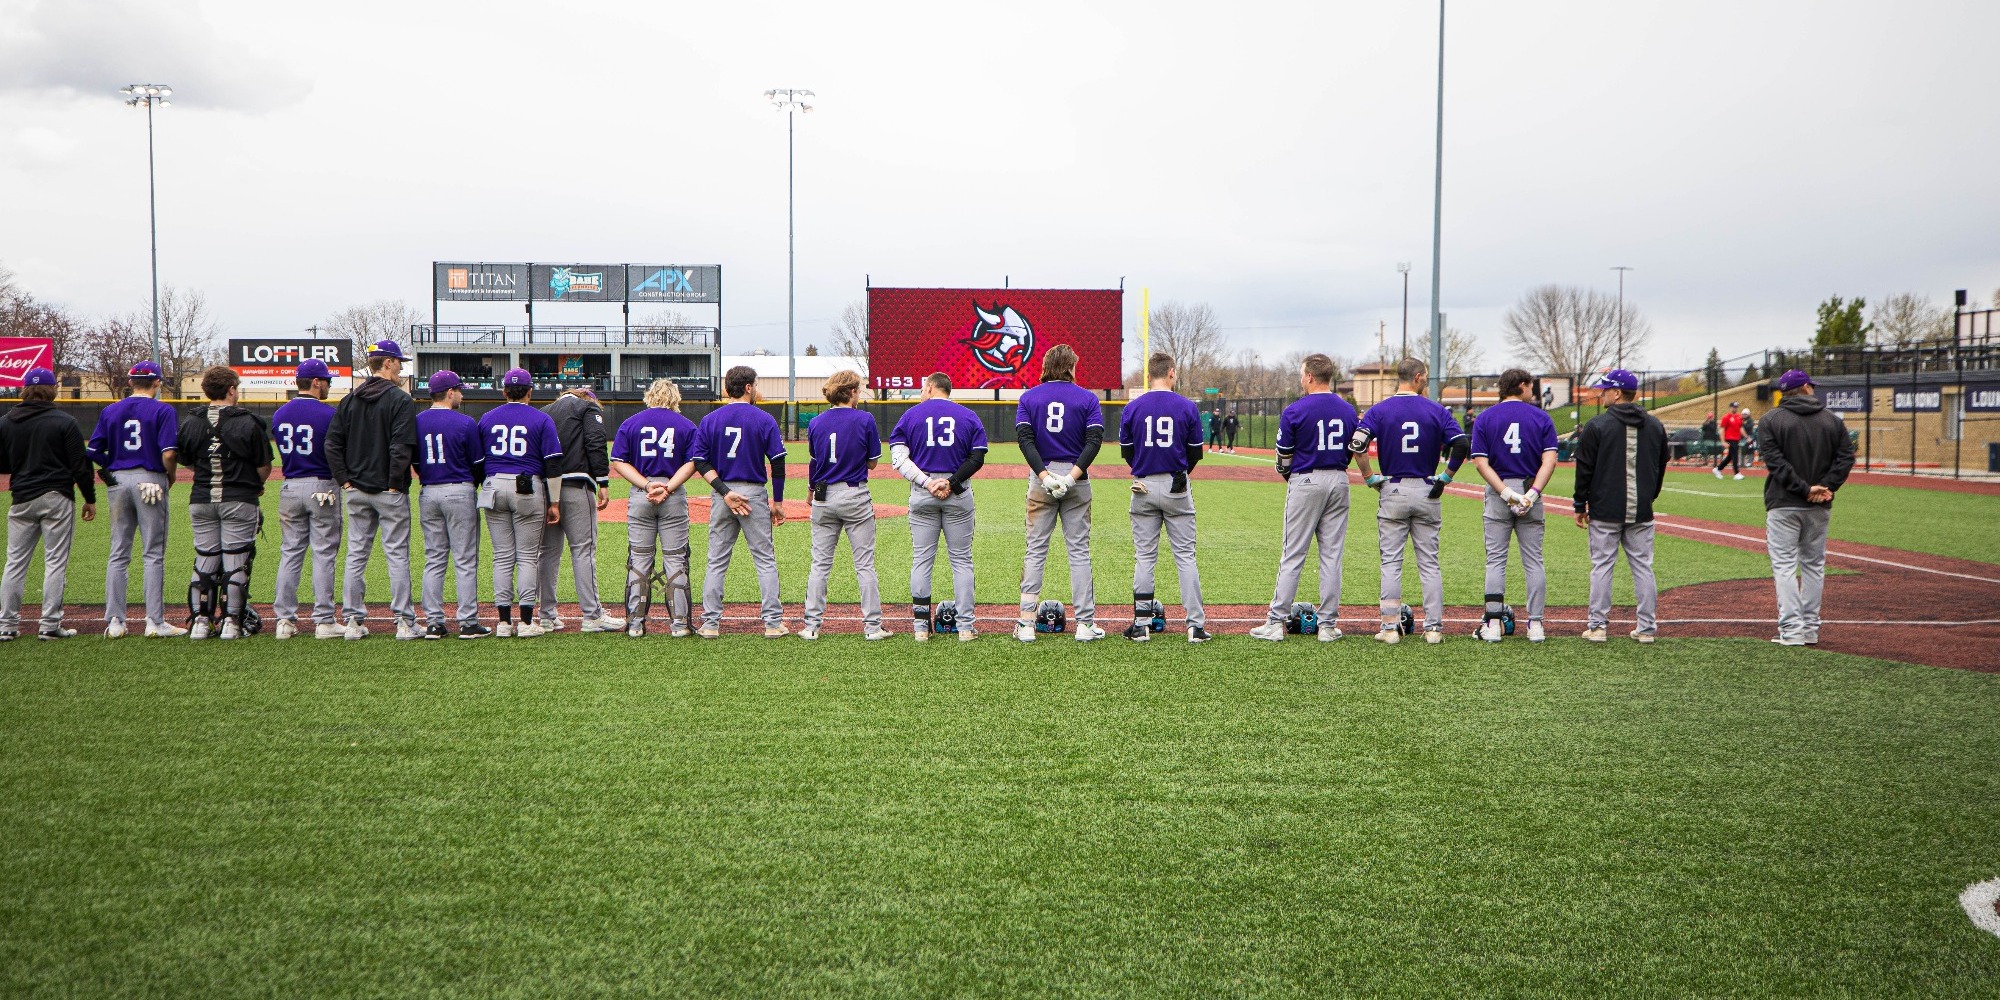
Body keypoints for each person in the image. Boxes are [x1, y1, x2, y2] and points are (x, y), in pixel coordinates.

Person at [1350, 358, 1467, 644]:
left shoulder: (1380, 410)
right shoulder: (1437, 410)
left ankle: (1390, 628)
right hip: (1428, 488)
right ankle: (1434, 629)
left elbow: (1357, 444)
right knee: (1429, 563)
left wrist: (1368, 477)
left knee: (1391, 562)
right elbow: (1462, 444)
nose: (1425, 378)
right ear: (1417, 377)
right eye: (1425, 375)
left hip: (1394, 488)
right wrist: (1446, 477)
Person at [1248, 353, 1356, 642]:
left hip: (1306, 478)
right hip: (1339, 478)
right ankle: (1328, 626)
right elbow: (1354, 449)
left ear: (1309, 376)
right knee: (1332, 556)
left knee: (1293, 554)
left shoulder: (1295, 410)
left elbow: (1283, 458)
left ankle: (1275, 623)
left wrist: (1294, 479)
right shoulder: (1347, 410)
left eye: (1301, 374)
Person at [326, 339, 420, 640]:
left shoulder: (350, 399)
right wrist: (393, 483)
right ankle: (405, 623)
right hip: (387, 490)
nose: (401, 369)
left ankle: (352, 622)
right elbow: (401, 447)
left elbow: (332, 444)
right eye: (399, 363)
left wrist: (344, 480)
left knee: (356, 554)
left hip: (356, 490)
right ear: (388, 362)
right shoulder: (400, 399)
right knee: (396, 555)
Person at [1012, 344, 1104, 642]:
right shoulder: (1088, 398)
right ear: (1068, 367)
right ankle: (1085, 624)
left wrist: (1044, 476)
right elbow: (1094, 441)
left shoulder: (1028, 397)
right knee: (1078, 551)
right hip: (1076, 480)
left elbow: (1025, 441)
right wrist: (1071, 477)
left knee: (1036, 549)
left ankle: (1026, 623)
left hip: (1042, 476)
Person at [1756, 370, 1855, 647]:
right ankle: (1810, 628)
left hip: (1784, 503)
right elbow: (1846, 458)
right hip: (1820, 504)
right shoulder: (1832, 421)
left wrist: (1803, 488)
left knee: (1785, 567)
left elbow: (1775, 463)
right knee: (1814, 566)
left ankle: (1792, 630)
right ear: (1806, 388)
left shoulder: (1771, 420)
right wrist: (1826, 486)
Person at [1118, 352, 1211, 643]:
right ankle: (1195, 626)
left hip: (1143, 485)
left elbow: (1127, 453)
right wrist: (1180, 473)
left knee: (1145, 557)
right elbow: (1195, 452)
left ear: (1148, 375)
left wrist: (1144, 470)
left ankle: (1141, 624)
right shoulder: (1186, 407)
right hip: (1176, 484)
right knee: (1185, 557)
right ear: (1171, 372)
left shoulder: (1133, 407)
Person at [690, 365, 789, 638]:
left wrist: (724, 492)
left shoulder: (710, 419)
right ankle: (772, 623)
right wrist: (778, 502)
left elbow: (700, 461)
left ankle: (710, 624)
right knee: (764, 559)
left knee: (716, 561)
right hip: (753, 494)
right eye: (755, 385)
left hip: (723, 495)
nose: (756, 389)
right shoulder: (764, 418)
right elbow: (778, 463)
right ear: (748, 387)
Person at [1572, 368, 1669, 643]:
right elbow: (1661, 465)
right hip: (1641, 509)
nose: (1601, 393)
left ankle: (1598, 626)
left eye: (1605, 389)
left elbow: (1584, 469)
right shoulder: (1654, 425)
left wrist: (1580, 503)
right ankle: (1647, 628)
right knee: (1642, 567)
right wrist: (1650, 496)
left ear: (1616, 393)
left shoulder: (1597, 425)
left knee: (1602, 565)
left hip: (1605, 509)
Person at [890, 371, 988, 642]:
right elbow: (977, 457)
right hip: (958, 494)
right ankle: (966, 627)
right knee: (961, 560)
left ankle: (921, 629)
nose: (922, 391)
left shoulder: (911, 415)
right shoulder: (967, 415)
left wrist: (928, 482)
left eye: (923, 387)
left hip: (923, 494)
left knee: (922, 559)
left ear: (932, 387)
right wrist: (951, 482)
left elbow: (898, 459)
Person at [87, 360, 182, 638]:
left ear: (130, 382)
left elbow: (92, 451)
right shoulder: (164, 409)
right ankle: (154, 622)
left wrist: (114, 462)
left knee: (118, 552)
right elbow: (169, 454)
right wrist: (169, 477)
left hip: (117, 480)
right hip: (150, 479)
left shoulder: (111, 409)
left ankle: (115, 622)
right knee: (153, 553)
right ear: (157, 382)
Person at [176, 366, 271, 641]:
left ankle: (200, 623)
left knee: (205, 561)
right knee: (236, 563)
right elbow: (264, 465)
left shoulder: (191, 421)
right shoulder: (248, 421)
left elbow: (186, 459)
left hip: (202, 499)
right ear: (231, 390)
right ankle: (231, 622)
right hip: (239, 498)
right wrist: (254, 483)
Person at [0, 367, 96, 641]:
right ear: (53, 389)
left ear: (25, 389)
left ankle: (6, 625)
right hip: (57, 496)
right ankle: (50, 625)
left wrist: (22, 465)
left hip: (22, 498)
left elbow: (2, 463)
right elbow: (80, 466)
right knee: (55, 562)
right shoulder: (65, 421)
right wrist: (89, 498)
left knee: (15, 563)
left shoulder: (6, 421)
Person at [1469, 367, 1559, 643]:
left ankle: (1494, 624)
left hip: (1499, 491)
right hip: (1531, 487)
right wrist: (1532, 493)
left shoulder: (1485, 418)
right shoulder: (1542, 418)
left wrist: (1506, 492)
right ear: (1522, 385)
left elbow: (1480, 462)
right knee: (1533, 561)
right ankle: (1536, 625)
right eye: (1530, 386)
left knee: (1496, 560)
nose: (1532, 391)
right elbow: (1550, 460)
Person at [800, 370, 889, 641]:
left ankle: (811, 626)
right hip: (854, 494)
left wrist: (809, 490)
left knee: (820, 564)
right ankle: (873, 628)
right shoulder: (864, 419)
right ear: (850, 391)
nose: (859, 394)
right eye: (858, 390)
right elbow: (873, 461)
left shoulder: (816, 422)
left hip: (823, 497)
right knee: (864, 565)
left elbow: (815, 461)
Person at [476, 369, 563, 637]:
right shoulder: (541, 418)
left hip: (493, 484)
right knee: (527, 556)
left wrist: (486, 484)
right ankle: (525, 622)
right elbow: (553, 463)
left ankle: (503, 622)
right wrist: (554, 502)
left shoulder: (487, 418)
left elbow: (478, 462)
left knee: (502, 556)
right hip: (526, 484)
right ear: (530, 391)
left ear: (504, 391)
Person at [610, 378, 699, 638]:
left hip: (641, 496)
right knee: (676, 560)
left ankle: (635, 625)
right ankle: (680, 625)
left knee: (639, 561)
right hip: (672, 496)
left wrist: (647, 485)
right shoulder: (685, 425)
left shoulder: (631, 423)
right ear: (675, 398)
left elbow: (618, 462)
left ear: (650, 396)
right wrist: (667, 487)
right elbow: (693, 462)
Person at [537, 386, 623, 634]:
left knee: (548, 553)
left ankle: (546, 615)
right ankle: (592, 615)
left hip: (546, 489)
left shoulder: (544, 411)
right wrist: (603, 480)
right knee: (583, 551)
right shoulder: (587, 407)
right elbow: (595, 442)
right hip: (576, 486)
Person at [269, 359, 344, 639]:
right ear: (315, 382)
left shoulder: (279, 414)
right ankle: (324, 620)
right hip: (322, 485)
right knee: (324, 554)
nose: (328, 385)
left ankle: (284, 621)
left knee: (290, 553)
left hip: (290, 486)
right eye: (326, 380)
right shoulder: (329, 414)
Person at [414, 370, 490, 640]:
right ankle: (468, 623)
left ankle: (434, 623)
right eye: (459, 389)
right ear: (449, 393)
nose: (461, 394)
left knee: (434, 559)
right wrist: (472, 484)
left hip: (429, 491)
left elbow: (413, 461)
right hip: (459, 490)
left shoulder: (417, 421)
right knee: (465, 560)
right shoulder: (466, 422)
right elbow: (479, 464)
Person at [1715, 401, 1745, 479]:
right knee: (1735, 455)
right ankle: (1736, 473)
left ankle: (1718, 469)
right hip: (1729, 438)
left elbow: (1741, 428)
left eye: (1736, 407)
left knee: (1730, 456)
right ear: (1730, 407)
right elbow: (1722, 429)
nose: (1735, 408)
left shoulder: (1739, 417)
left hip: (1736, 438)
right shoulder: (1726, 417)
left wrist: (1747, 437)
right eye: (1733, 407)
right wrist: (1722, 441)